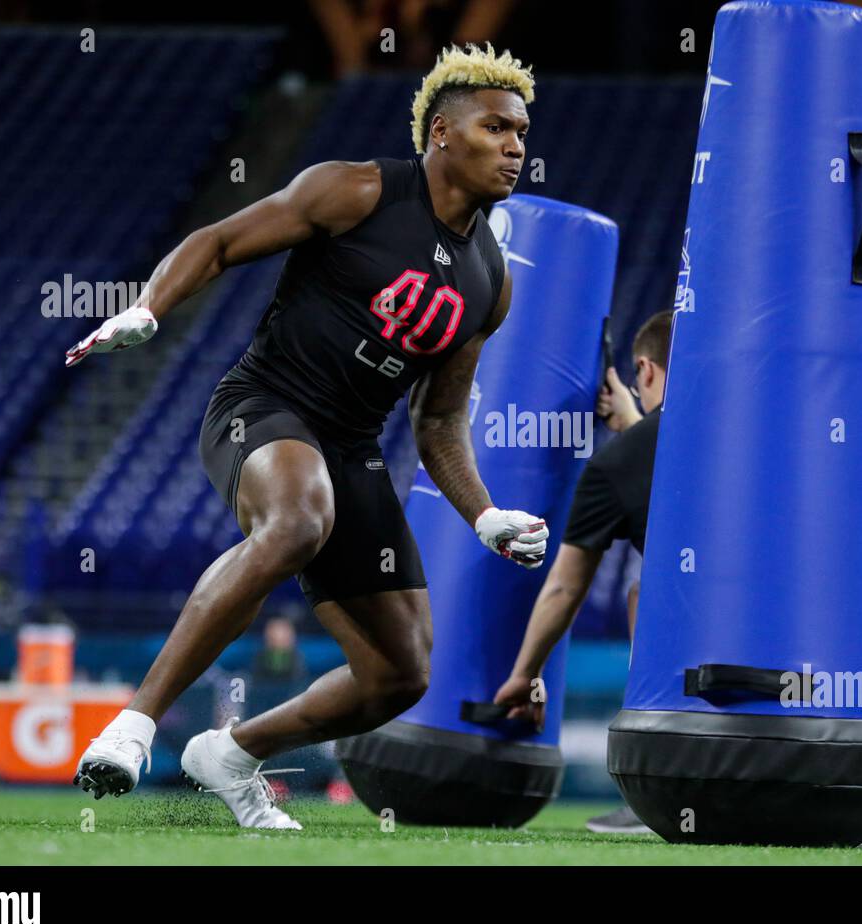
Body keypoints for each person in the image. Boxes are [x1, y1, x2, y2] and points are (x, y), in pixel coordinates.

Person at [67, 44, 550, 829]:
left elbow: (438, 419)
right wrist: (149, 308)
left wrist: (486, 515)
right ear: (439, 134)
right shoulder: (355, 188)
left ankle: (231, 753)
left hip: (352, 446)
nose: (515, 146)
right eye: (495, 127)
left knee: (399, 674)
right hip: (261, 406)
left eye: (521, 131)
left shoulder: (490, 278)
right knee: (296, 517)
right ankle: (135, 724)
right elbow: (219, 241)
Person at [491, 309, 672, 835]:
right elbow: (671, 465)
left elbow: (566, 585)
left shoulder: (616, 464)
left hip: (704, 668)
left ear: (644, 370)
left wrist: (524, 675)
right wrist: (636, 423)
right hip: (796, 659)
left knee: (646, 592)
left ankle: (660, 784)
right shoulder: (737, 432)